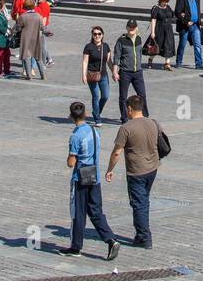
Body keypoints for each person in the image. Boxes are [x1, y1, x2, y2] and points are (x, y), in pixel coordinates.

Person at [61, 101, 120, 260]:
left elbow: (71, 162)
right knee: (95, 211)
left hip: (80, 177)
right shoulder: (94, 131)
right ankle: (111, 240)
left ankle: (76, 246)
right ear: (85, 114)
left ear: (71, 117)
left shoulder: (75, 135)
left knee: (77, 213)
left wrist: (69, 159)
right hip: (95, 175)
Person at [106, 93, 161, 249]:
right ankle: (141, 233)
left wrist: (109, 170)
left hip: (136, 171)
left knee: (138, 204)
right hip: (152, 168)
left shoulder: (126, 128)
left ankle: (144, 237)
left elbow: (116, 152)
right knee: (143, 201)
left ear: (129, 109)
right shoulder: (153, 123)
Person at [112, 19, 148, 124]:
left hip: (138, 72)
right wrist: (115, 72)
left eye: (133, 27)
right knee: (123, 97)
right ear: (127, 28)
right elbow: (116, 58)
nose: (131, 29)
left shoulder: (139, 39)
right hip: (125, 72)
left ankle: (144, 116)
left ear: (136, 28)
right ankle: (124, 118)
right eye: (129, 27)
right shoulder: (121, 40)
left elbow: (140, 54)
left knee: (142, 95)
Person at [16, 0, 53, 81]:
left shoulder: (22, 17)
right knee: (38, 57)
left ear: (25, 6)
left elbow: (18, 29)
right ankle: (43, 75)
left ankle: (29, 75)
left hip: (25, 39)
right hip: (36, 38)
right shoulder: (38, 16)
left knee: (26, 57)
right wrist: (48, 33)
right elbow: (43, 28)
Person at [82, 27, 112, 125]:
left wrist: (114, 72)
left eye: (99, 34)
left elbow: (109, 61)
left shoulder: (106, 46)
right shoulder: (88, 47)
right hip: (92, 75)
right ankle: (97, 119)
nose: (97, 36)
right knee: (95, 96)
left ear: (102, 35)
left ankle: (96, 112)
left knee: (105, 96)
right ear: (92, 35)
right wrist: (84, 75)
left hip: (103, 75)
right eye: (95, 34)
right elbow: (85, 61)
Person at [174, 0, 203, 70]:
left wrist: (200, 23)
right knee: (182, 44)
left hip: (195, 26)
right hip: (185, 27)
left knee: (197, 45)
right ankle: (179, 62)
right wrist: (185, 22)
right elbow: (177, 12)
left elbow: (198, 11)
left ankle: (199, 64)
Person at [147, 0, 175, 71]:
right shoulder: (156, 8)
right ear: (161, 0)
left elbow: (172, 15)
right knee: (156, 47)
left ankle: (167, 64)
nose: (166, 3)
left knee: (168, 46)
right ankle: (150, 59)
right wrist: (152, 32)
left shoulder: (168, 7)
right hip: (159, 29)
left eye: (167, 1)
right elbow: (153, 20)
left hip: (168, 30)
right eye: (164, 1)